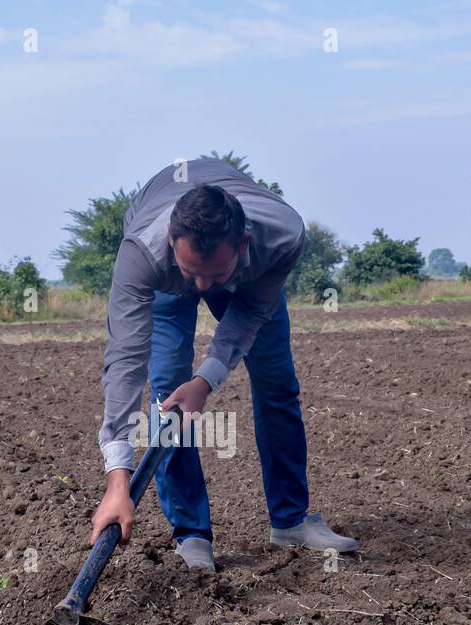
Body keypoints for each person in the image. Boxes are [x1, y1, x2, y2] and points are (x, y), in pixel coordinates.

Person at [90, 157, 358, 571]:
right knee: (167, 393)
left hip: (250, 283)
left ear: (244, 246)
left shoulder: (281, 236)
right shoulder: (143, 252)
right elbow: (125, 359)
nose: (200, 287)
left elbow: (249, 315)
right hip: (164, 270)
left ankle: (290, 521)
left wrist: (207, 379)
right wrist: (117, 478)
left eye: (213, 276)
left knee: (277, 383)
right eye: (190, 272)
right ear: (170, 241)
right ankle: (191, 534)